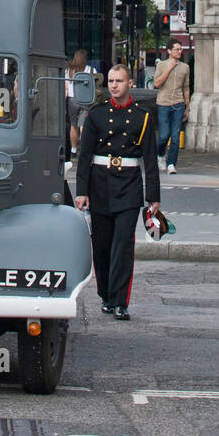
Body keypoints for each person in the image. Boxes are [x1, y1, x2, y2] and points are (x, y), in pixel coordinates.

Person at [75, 63, 160, 320]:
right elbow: (85, 155)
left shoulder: (142, 116)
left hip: (128, 189)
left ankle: (121, 301)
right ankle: (106, 295)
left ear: (130, 83)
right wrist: (81, 191)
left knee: (123, 246)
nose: (113, 85)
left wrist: (153, 197)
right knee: (101, 246)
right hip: (100, 186)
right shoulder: (97, 115)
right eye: (110, 81)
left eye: (119, 81)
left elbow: (150, 160)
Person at [154, 41, 190, 173]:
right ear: (169, 51)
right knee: (164, 135)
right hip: (164, 103)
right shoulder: (162, 65)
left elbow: (186, 87)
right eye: (176, 49)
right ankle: (160, 155)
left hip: (178, 103)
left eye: (180, 49)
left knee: (175, 137)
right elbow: (157, 84)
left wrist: (187, 106)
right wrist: (169, 69)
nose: (179, 52)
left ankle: (171, 164)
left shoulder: (185, 67)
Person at [65, 47, 95, 157]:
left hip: (72, 100)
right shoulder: (91, 70)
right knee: (83, 125)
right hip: (86, 101)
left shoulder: (69, 71)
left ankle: (73, 150)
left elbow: (66, 87)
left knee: (73, 125)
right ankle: (84, 149)